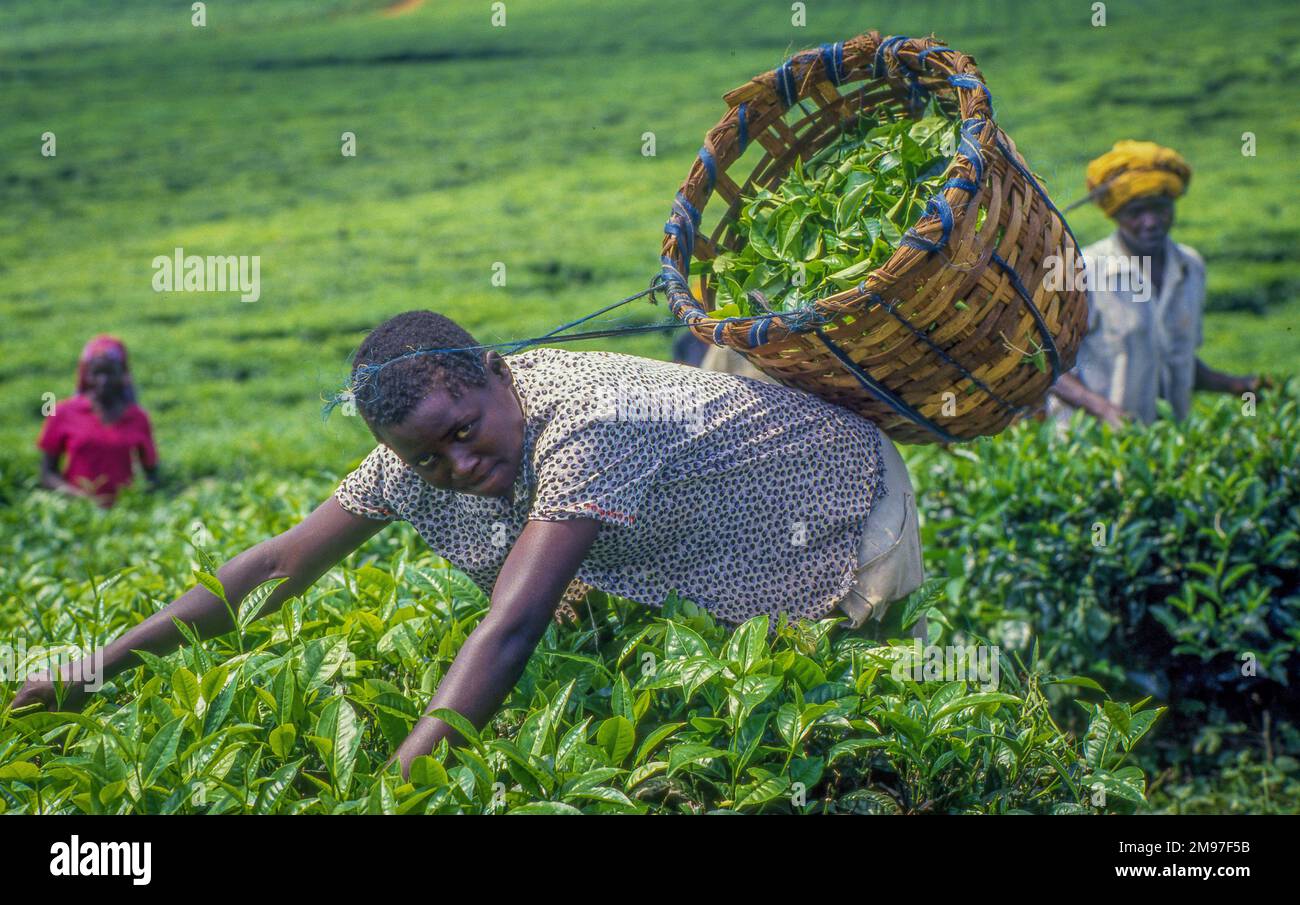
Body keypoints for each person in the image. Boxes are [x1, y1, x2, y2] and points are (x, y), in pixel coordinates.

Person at [12, 311, 924, 778]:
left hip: (841, 497)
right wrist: (97, 665)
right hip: (710, 538)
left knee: (846, 722)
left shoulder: (587, 420)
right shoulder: (417, 456)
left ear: (495, 372)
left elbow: (513, 626)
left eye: (462, 430)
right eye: (423, 457)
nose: (456, 465)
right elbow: (276, 564)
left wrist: (398, 790)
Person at [1050, 140, 1262, 426]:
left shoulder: (1191, 267)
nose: (1150, 222)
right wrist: (1106, 411)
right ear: (1115, 214)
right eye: (1136, 212)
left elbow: (1175, 356)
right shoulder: (1082, 269)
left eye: (1159, 208)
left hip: (1164, 444)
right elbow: (1047, 367)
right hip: (1092, 449)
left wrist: (1235, 385)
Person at [36, 335, 160, 507]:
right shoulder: (63, 412)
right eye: (96, 373)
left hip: (122, 511)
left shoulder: (138, 417)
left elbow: (152, 474)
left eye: (110, 372)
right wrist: (78, 498)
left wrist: (137, 503)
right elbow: (47, 473)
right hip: (75, 510)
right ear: (86, 375)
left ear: (122, 375)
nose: (103, 381)